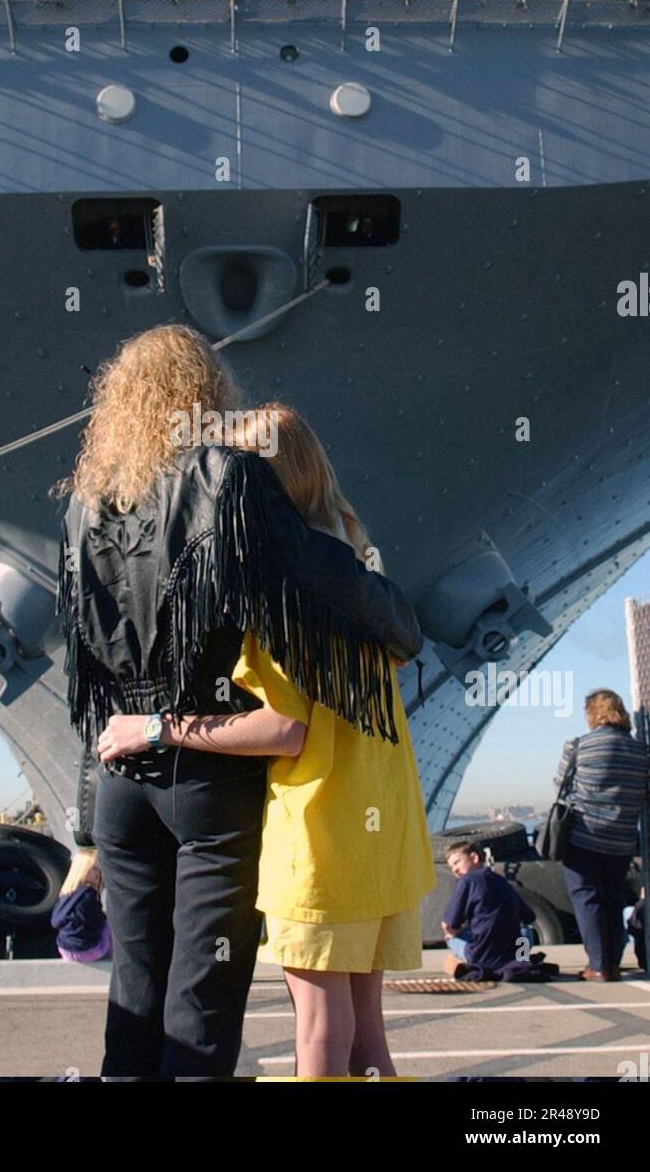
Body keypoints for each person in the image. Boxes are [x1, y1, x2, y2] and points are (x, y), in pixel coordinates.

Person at [55, 324, 422, 1080]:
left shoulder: (84, 508)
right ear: (206, 392)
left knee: (136, 983)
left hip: (122, 777)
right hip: (209, 773)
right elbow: (319, 578)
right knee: (204, 991)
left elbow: (85, 663)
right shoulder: (226, 473)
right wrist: (396, 617)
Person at [225, 405, 434, 1078]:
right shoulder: (365, 584)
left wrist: (163, 729)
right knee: (368, 1033)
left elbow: (286, 728)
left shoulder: (282, 591)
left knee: (318, 1028)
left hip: (317, 834)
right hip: (385, 832)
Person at [555, 688, 650, 980]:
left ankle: (598, 965)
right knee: (612, 899)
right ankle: (613, 963)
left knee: (587, 898)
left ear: (592, 714)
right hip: (621, 839)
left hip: (582, 837)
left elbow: (560, 785)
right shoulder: (640, 751)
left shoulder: (579, 746)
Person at [441, 842, 535, 977]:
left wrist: (456, 932)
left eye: (457, 863)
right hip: (512, 955)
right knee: (527, 930)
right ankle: (521, 959)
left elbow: (448, 925)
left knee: (450, 937)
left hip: (481, 957)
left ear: (474, 858)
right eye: (451, 867)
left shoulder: (466, 880)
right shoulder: (502, 881)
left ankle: (471, 959)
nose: (454, 870)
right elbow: (529, 917)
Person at [51, 848, 112, 963]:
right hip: (88, 951)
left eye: (99, 869)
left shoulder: (66, 893)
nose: (98, 873)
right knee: (110, 924)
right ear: (83, 870)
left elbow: (56, 921)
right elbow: (96, 922)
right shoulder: (89, 894)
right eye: (94, 869)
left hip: (65, 949)